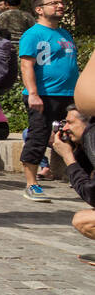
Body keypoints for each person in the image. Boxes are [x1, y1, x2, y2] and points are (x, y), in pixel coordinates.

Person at [18, 0, 79, 202]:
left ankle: (80, 179)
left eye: (61, 2)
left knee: (77, 136)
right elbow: (26, 65)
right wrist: (33, 94)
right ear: (39, 9)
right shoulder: (33, 35)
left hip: (68, 96)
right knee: (38, 137)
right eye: (54, 3)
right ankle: (31, 183)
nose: (60, 6)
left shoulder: (65, 34)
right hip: (43, 95)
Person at [48, 106, 95, 264]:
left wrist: (68, 157)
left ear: (87, 123)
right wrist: (76, 148)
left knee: (84, 221)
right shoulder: (89, 139)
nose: (65, 128)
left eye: (69, 123)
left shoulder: (92, 137)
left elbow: (91, 195)